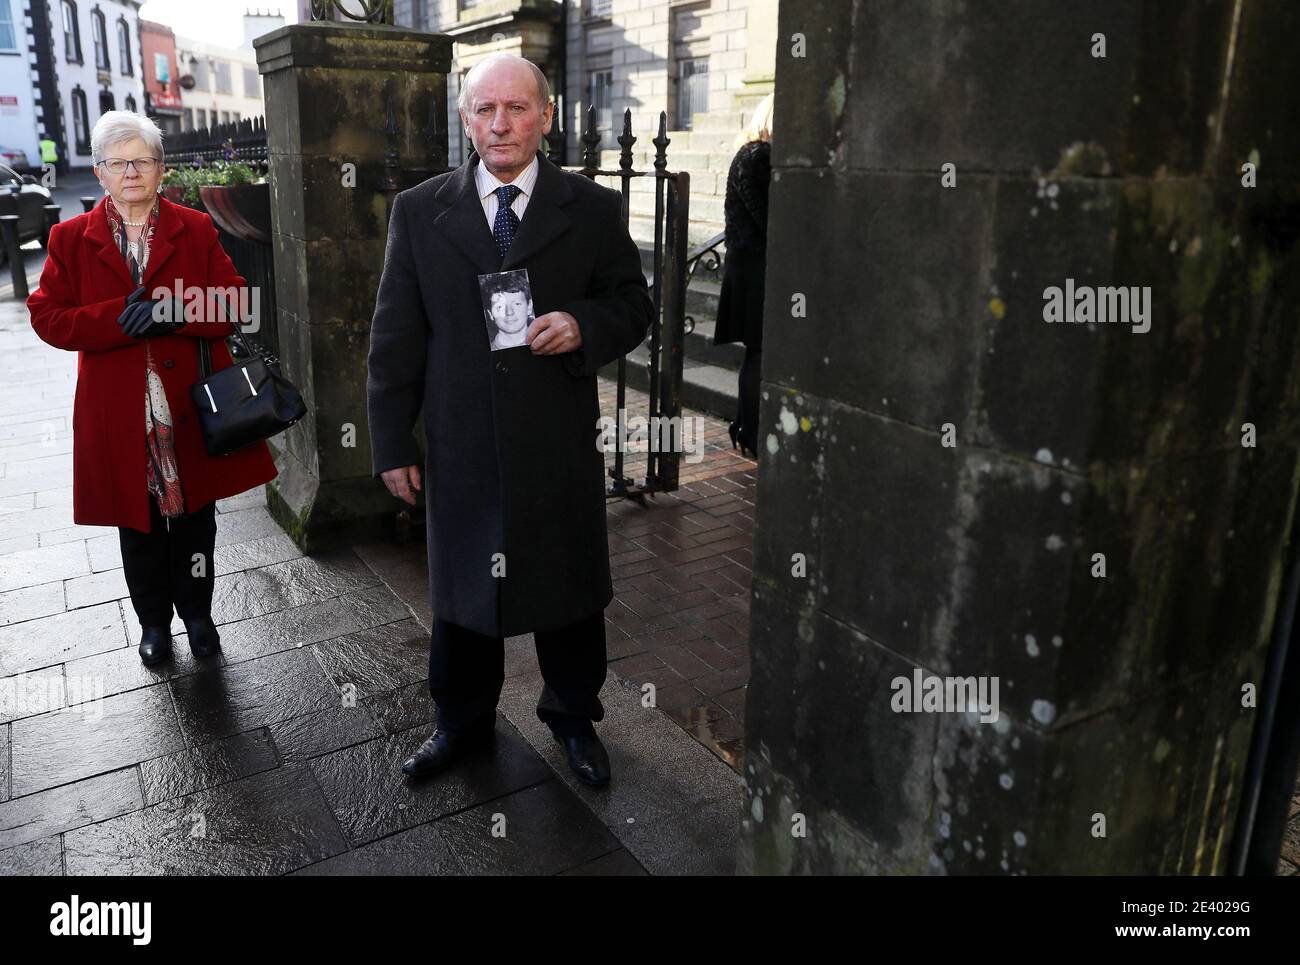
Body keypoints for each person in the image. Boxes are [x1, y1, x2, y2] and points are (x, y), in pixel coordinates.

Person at [367, 53, 652, 788]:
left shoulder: (589, 208)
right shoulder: (420, 210)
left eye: (518, 108)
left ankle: (573, 717)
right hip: (461, 441)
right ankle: (459, 721)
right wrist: (393, 438)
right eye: (485, 109)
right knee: (464, 591)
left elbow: (632, 305)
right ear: (466, 120)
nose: (501, 123)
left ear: (546, 117)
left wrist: (583, 323)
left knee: (567, 586)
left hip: (554, 436)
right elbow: (395, 336)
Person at [27, 111, 276, 666]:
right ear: (99, 173)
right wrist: (117, 319)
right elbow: (48, 317)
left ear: (162, 169)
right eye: (118, 163)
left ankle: (198, 615)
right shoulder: (70, 238)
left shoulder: (195, 226)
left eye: (142, 160)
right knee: (136, 524)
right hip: (117, 414)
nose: (131, 172)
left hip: (188, 406)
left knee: (194, 520)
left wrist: (175, 312)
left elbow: (240, 304)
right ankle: (154, 625)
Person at [712, 94, 773, 458]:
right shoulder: (759, 156)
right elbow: (768, 216)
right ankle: (749, 431)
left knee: (758, 350)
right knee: (760, 350)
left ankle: (744, 425)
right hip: (755, 269)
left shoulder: (750, 153)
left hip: (747, 266)